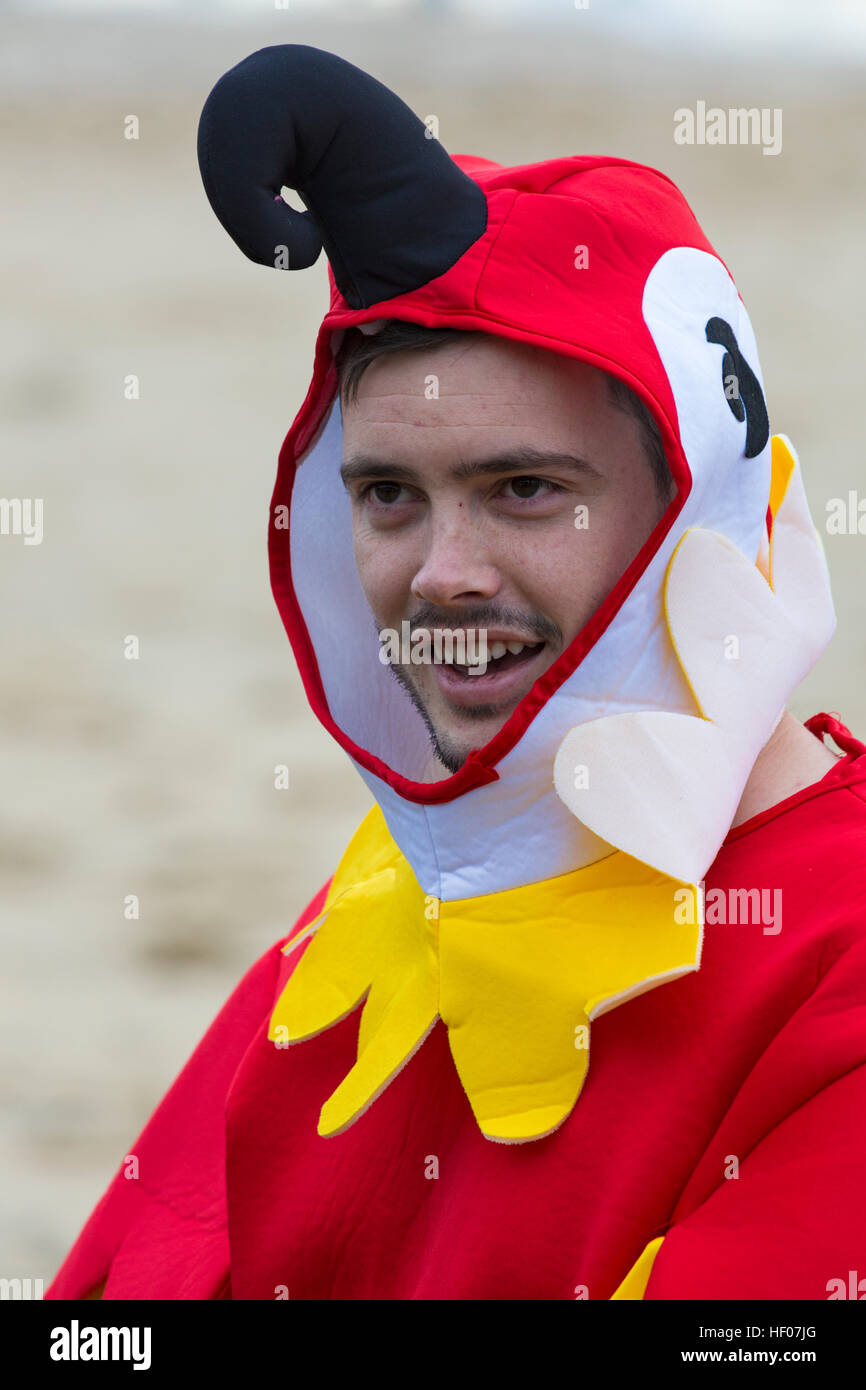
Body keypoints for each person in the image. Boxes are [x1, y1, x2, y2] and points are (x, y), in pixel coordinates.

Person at [46, 44, 866, 1302]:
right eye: (387, 495)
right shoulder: (404, 871)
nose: (441, 574)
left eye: (524, 489)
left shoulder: (835, 970)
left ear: (698, 504)